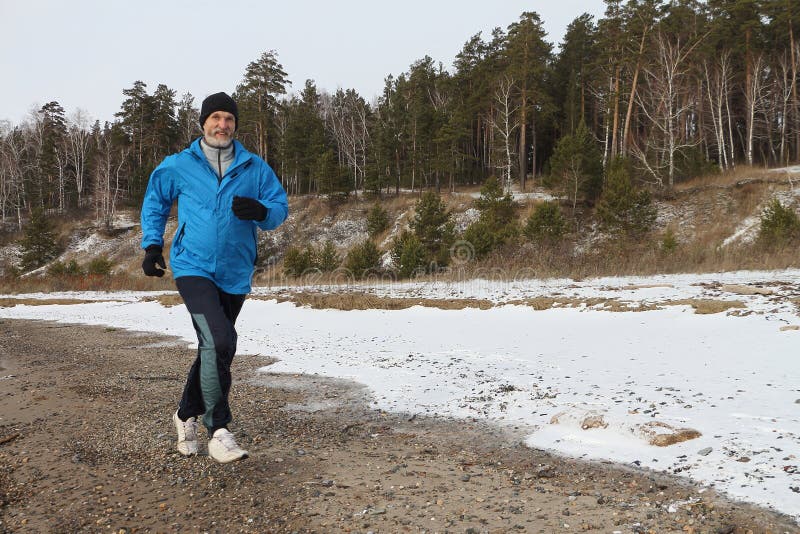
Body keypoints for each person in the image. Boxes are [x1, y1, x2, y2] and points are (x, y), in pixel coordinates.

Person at [140, 91, 288, 463]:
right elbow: (156, 200)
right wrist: (152, 246)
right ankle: (218, 429)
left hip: (235, 271)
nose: (223, 125)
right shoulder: (179, 165)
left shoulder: (254, 167)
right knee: (220, 339)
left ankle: (184, 414)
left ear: (235, 125)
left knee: (217, 346)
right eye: (216, 117)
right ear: (203, 122)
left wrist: (261, 211)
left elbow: (279, 207)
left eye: (229, 119)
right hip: (193, 266)